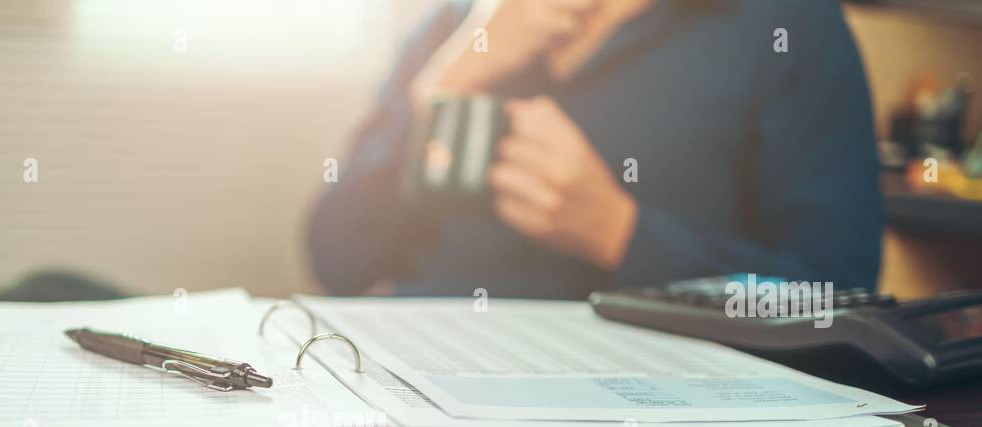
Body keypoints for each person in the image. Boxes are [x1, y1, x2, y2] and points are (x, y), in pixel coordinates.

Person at [307, 0, 884, 300]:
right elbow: (336, 261)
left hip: (653, 422)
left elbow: (834, 294)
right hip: (422, 391)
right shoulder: (452, 25)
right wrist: (440, 90)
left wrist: (621, 236)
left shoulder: (788, 27)